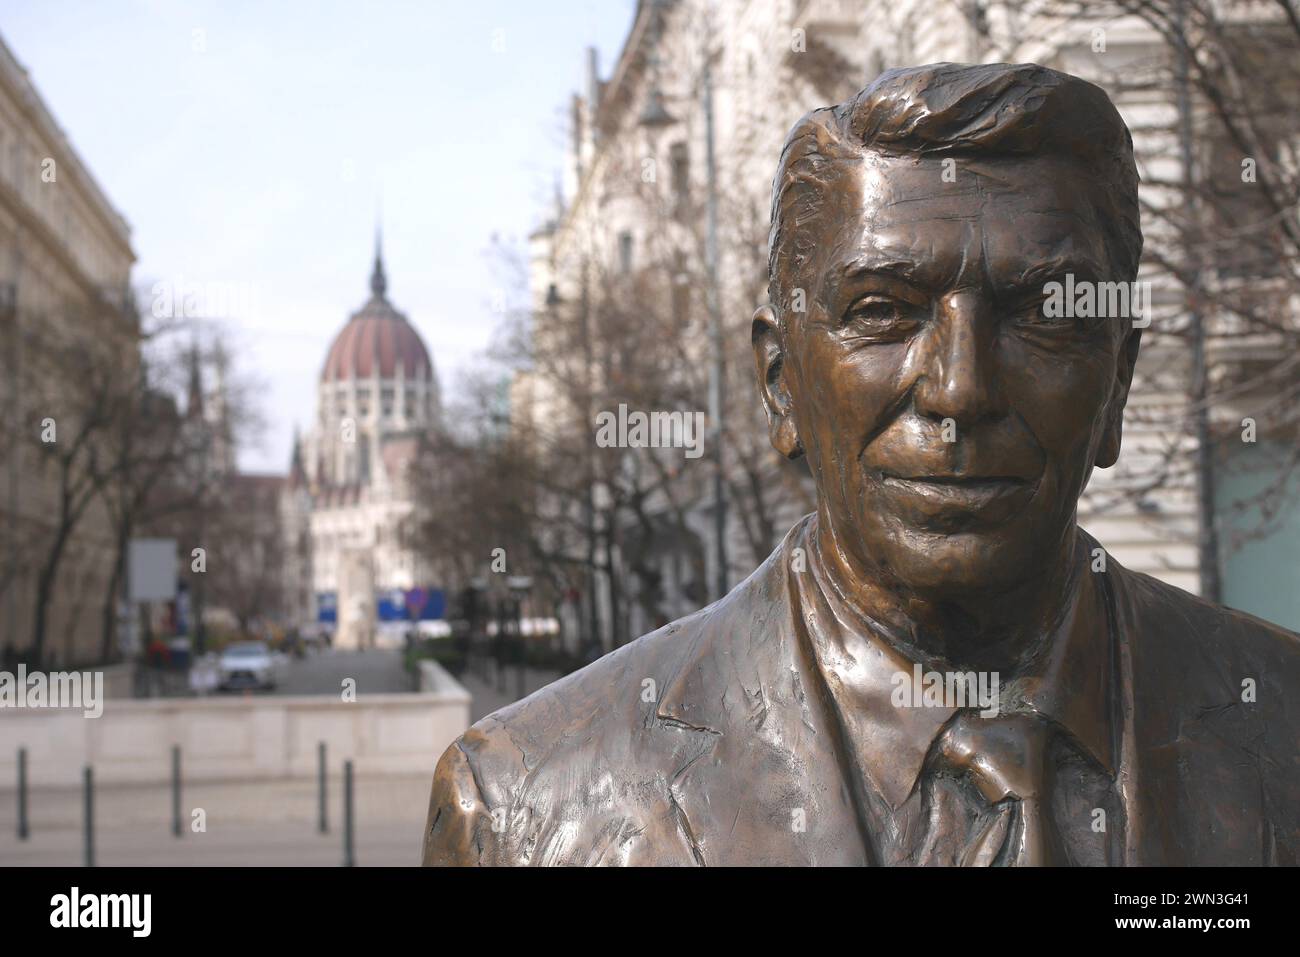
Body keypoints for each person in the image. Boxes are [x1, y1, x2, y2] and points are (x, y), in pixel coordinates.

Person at [423, 62, 1299, 866]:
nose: (962, 390)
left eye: (1043, 314)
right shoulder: (526, 809)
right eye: (883, 309)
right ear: (781, 383)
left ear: (1118, 381)